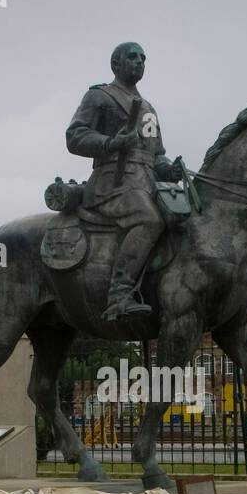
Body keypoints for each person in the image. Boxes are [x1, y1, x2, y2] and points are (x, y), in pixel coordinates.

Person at [66, 41, 182, 319]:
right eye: (132, 57)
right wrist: (110, 143)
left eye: (143, 58)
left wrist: (171, 170)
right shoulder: (100, 97)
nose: (140, 61)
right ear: (115, 64)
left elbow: (158, 156)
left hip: (147, 184)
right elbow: (75, 136)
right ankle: (119, 296)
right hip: (112, 184)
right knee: (149, 219)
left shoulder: (149, 109)